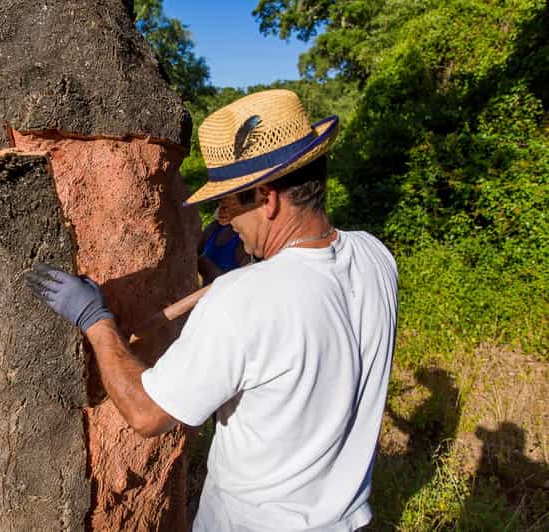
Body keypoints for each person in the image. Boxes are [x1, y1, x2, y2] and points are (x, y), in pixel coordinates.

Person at [27, 90, 398, 531]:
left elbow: (148, 415)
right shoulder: (376, 257)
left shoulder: (243, 298)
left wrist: (95, 320)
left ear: (268, 198)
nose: (227, 222)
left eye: (229, 205)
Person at [198, 205, 250, 285]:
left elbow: (245, 272)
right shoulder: (211, 228)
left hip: (228, 288)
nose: (223, 211)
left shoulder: (242, 234)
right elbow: (197, 252)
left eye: (227, 208)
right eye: (221, 207)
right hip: (208, 290)